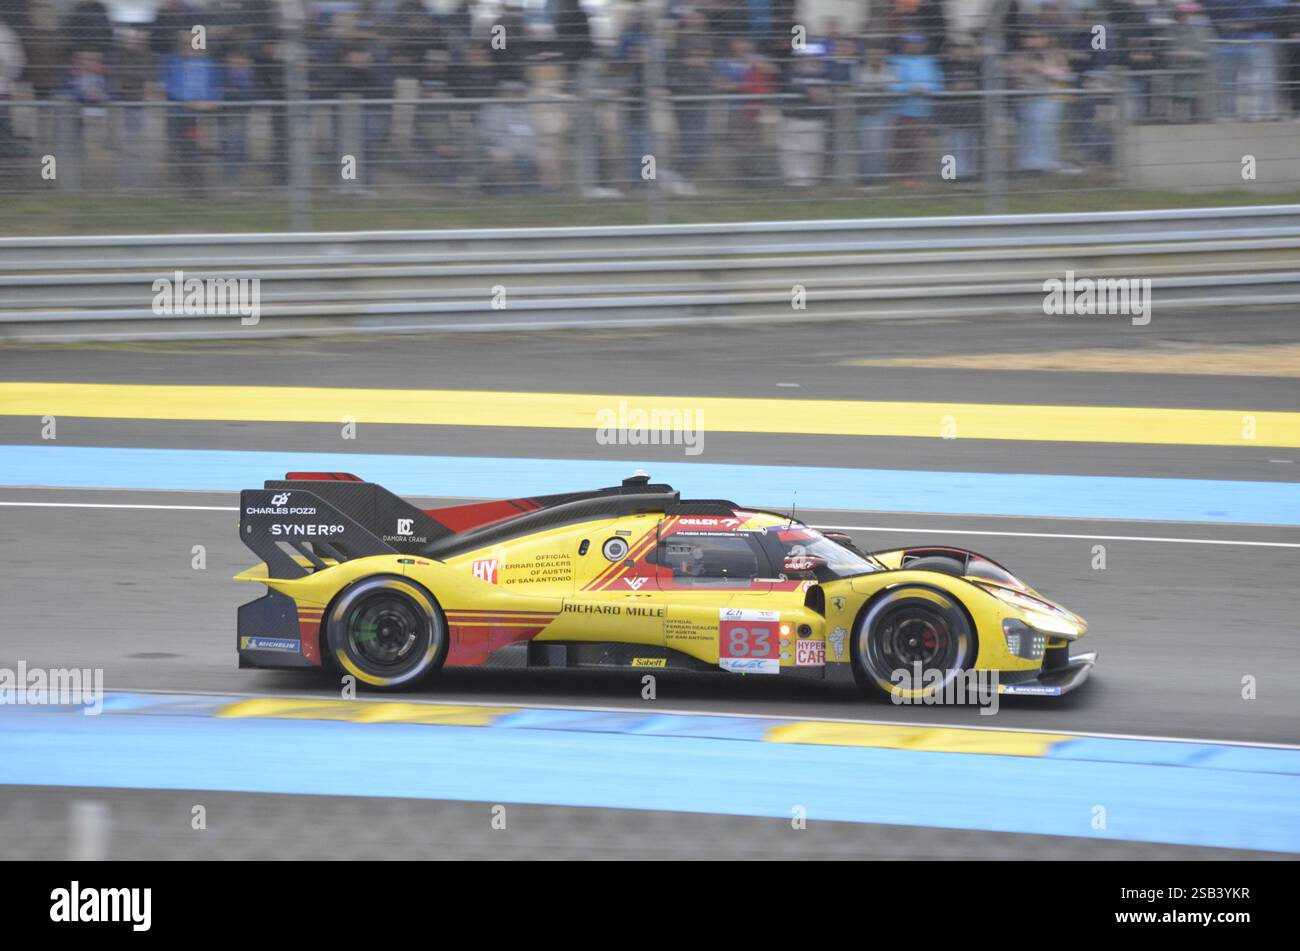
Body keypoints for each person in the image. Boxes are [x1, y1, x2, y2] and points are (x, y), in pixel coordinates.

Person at [887, 33, 942, 186]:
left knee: (922, 147)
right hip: (903, 112)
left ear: (924, 45)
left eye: (918, 43)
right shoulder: (896, 61)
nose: (914, 46)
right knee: (904, 147)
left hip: (925, 112)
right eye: (910, 43)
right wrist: (909, 89)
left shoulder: (930, 62)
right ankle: (903, 179)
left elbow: (939, 83)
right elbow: (892, 84)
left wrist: (928, 89)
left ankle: (928, 178)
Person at [854, 39, 894, 186]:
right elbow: (860, 89)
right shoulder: (860, 70)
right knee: (870, 148)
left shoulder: (890, 69)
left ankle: (881, 179)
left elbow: (891, 87)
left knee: (883, 149)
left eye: (879, 52)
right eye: (872, 53)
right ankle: (869, 180)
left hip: (886, 113)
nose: (875, 56)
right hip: (867, 114)